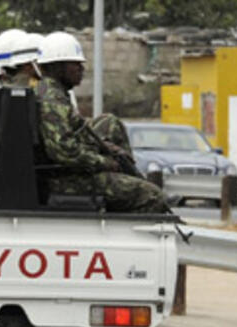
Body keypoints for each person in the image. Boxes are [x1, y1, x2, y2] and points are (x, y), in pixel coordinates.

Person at [35, 32, 167, 213]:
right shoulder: (52, 101)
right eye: (75, 64)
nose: (81, 69)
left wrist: (105, 148)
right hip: (67, 180)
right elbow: (64, 151)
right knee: (152, 196)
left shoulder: (52, 93)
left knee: (109, 122)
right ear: (58, 67)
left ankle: (125, 181)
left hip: (69, 173)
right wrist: (104, 162)